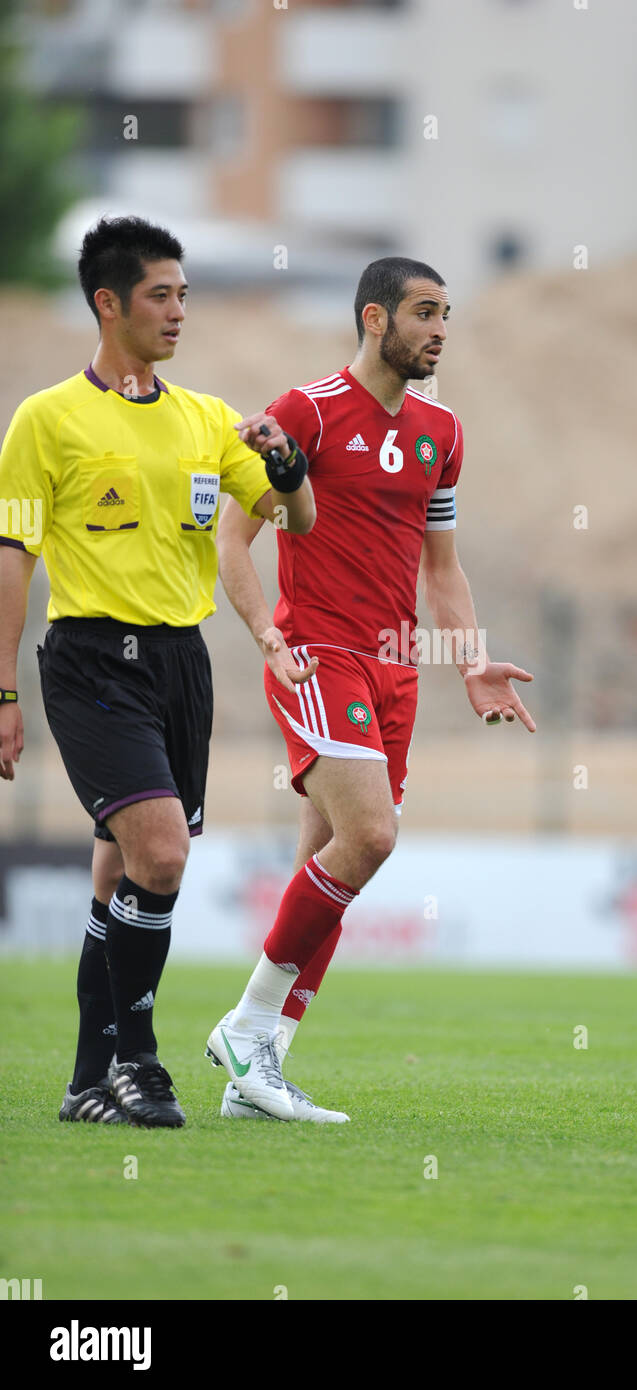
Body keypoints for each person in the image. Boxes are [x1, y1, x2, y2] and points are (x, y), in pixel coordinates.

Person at [0, 215, 316, 1127]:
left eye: (185, 294)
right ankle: (139, 1062)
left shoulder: (209, 420)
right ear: (108, 303)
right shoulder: (45, 419)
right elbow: (12, 557)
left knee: (118, 880)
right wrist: (6, 689)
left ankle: (83, 1081)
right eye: (160, 295)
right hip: (94, 659)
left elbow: (297, 521)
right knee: (163, 854)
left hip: (182, 663)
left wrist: (289, 468)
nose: (180, 311)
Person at [206, 256, 536, 1123]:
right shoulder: (304, 412)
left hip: (396, 669)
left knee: (332, 871)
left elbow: (442, 565)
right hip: (321, 655)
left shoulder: (442, 431)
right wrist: (269, 639)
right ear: (373, 317)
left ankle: (259, 1073)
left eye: (447, 315)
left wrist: (470, 659)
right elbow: (232, 541)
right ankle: (244, 1027)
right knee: (372, 838)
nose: (439, 330)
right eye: (424, 313)